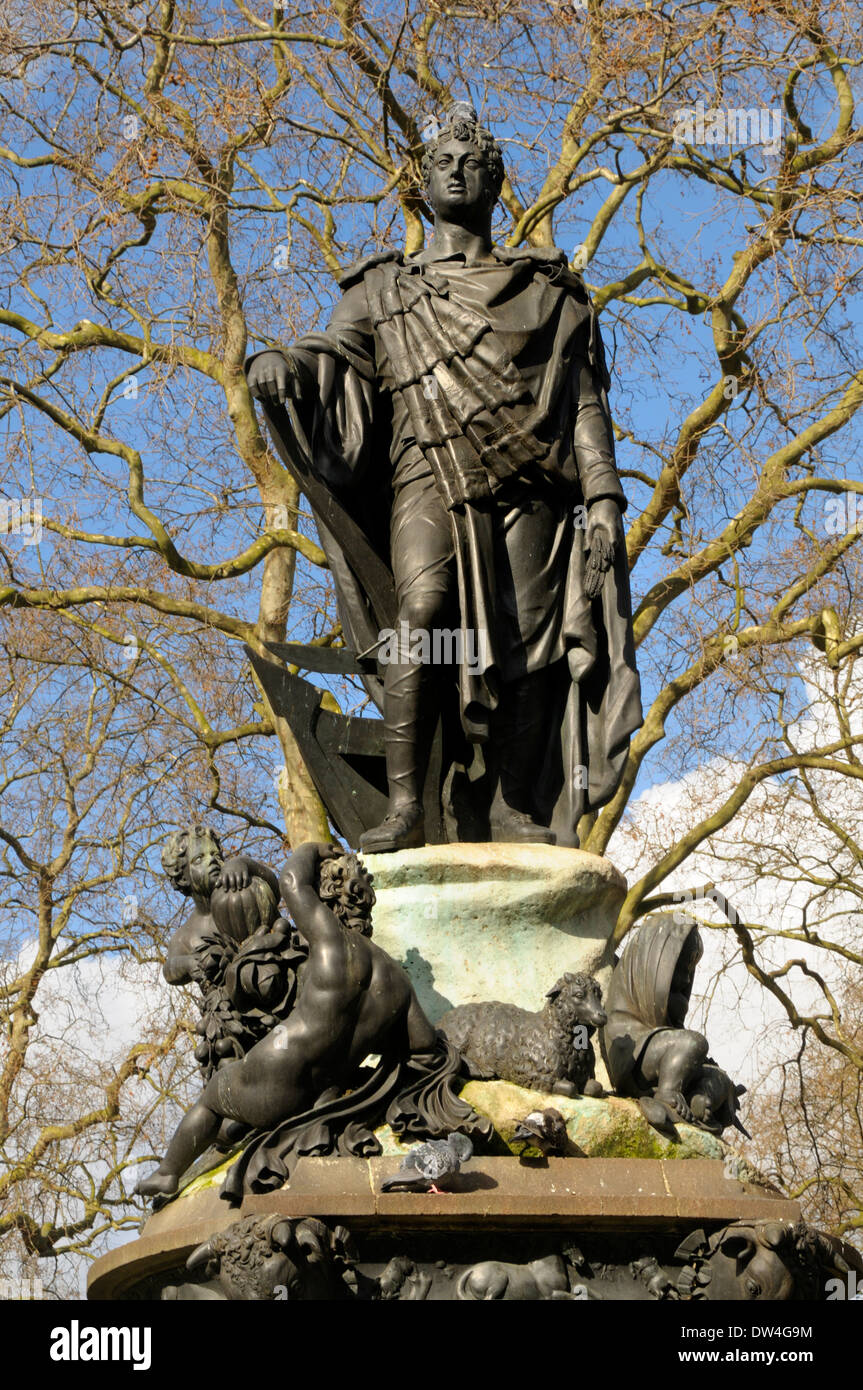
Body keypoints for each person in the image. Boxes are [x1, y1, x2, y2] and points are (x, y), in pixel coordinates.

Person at [248, 102, 642, 852]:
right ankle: (405, 807)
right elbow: (331, 355)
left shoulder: (550, 293)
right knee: (421, 616)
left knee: (535, 646)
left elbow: (583, 404)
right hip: (424, 470)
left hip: (533, 488)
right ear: (420, 184)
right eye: (441, 163)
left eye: (472, 162)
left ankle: (511, 806)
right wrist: (281, 363)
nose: (456, 170)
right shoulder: (382, 289)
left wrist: (604, 500)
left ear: (495, 182)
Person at [137, 843, 439, 1198]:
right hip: (324, 1088)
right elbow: (425, 1049)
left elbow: (290, 880)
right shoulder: (401, 984)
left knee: (214, 1095)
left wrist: (314, 850)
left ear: (324, 901)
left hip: (276, 1074)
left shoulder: (330, 943)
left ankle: (168, 1173)